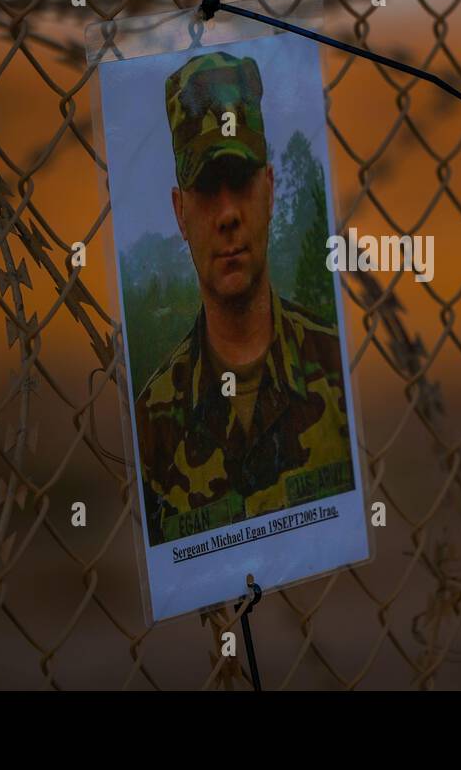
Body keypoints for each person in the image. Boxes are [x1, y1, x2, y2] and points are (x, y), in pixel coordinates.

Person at [134, 50, 353, 547]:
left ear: (271, 190)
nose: (228, 214)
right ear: (179, 213)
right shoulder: (152, 422)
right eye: (207, 189)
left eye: (242, 182)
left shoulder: (341, 366)